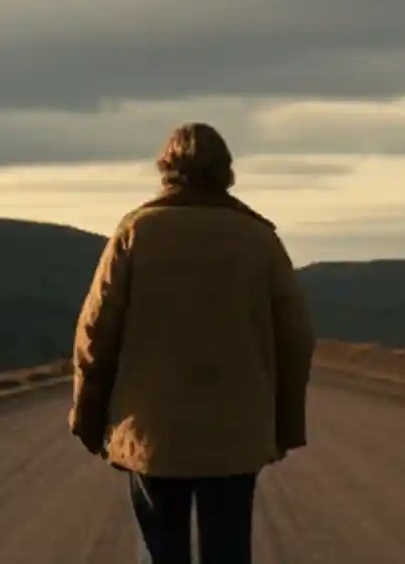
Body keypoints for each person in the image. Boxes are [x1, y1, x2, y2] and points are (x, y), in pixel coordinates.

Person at [69, 122, 315, 564]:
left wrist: (88, 416)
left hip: (153, 433)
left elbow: (94, 335)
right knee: (228, 548)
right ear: (227, 173)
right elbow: (295, 339)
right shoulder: (260, 240)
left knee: (161, 549)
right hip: (238, 431)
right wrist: (284, 426)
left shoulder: (135, 233)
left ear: (166, 170)